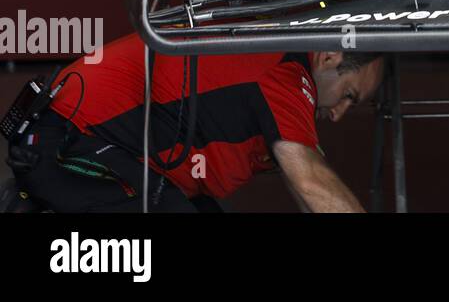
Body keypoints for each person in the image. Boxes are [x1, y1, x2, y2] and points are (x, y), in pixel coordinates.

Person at [5, 32, 384, 212]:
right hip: (71, 145)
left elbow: (311, 190)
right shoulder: (285, 71)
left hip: (84, 143)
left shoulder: (283, 67)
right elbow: (313, 181)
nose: (339, 114)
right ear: (330, 57)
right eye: (349, 95)